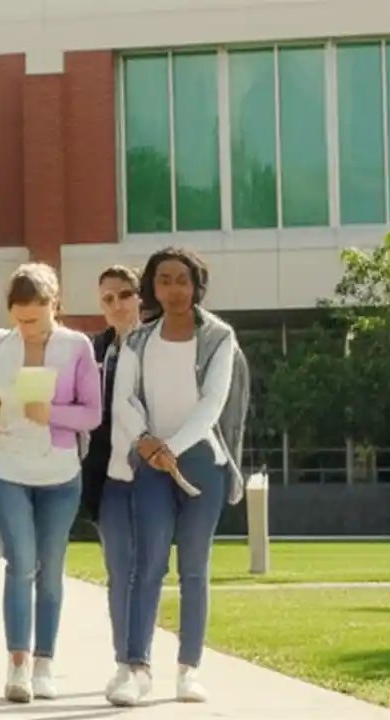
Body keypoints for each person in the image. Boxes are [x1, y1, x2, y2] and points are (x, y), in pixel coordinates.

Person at [107, 246, 246, 705]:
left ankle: (189, 669)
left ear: (196, 284)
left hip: (201, 461)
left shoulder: (219, 337)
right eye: (164, 280)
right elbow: (123, 400)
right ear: (153, 286)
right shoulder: (137, 340)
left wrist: (174, 448)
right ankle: (136, 669)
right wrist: (147, 442)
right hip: (149, 462)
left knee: (193, 567)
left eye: (182, 280)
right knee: (147, 564)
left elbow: (212, 403)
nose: (174, 288)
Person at [0, 263, 102, 704]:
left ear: (55, 305)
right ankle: (18, 665)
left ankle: (46, 662)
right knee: (20, 563)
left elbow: (93, 414)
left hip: (60, 473)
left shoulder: (76, 346)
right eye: (20, 319)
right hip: (7, 468)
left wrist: (54, 415)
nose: (27, 328)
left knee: (50, 569)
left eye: (36, 319)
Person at [78, 265, 151, 705]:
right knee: (119, 570)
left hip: (151, 474)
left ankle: (143, 663)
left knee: (147, 570)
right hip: (107, 477)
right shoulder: (93, 352)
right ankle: (126, 664)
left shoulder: (158, 346)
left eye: (125, 294)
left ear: (139, 297)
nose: (117, 304)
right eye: (108, 298)